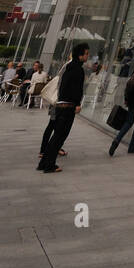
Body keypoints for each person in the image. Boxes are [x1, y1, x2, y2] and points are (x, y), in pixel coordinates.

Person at [37, 43, 89, 174]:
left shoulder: (69, 67)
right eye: (86, 53)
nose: (88, 56)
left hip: (61, 104)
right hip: (68, 106)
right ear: (80, 55)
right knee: (59, 136)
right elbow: (76, 89)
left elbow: (63, 86)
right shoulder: (78, 69)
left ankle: (44, 163)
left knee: (56, 135)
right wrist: (77, 103)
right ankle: (49, 165)